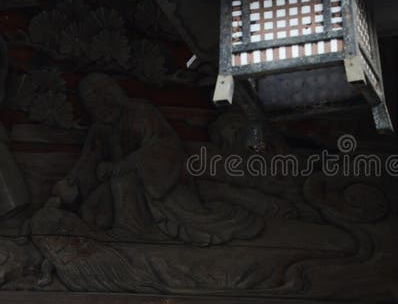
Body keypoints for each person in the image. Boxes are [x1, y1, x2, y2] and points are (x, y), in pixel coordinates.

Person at [51, 73, 261, 244]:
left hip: (154, 185)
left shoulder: (140, 111)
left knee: (121, 183)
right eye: (92, 104)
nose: (98, 107)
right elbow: (86, 162)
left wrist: (128, 163)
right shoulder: (99, 129)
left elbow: (164, 145)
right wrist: (69, 184)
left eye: (100, 99)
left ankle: (134, 232)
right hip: (121, 184)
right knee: (90, 211)